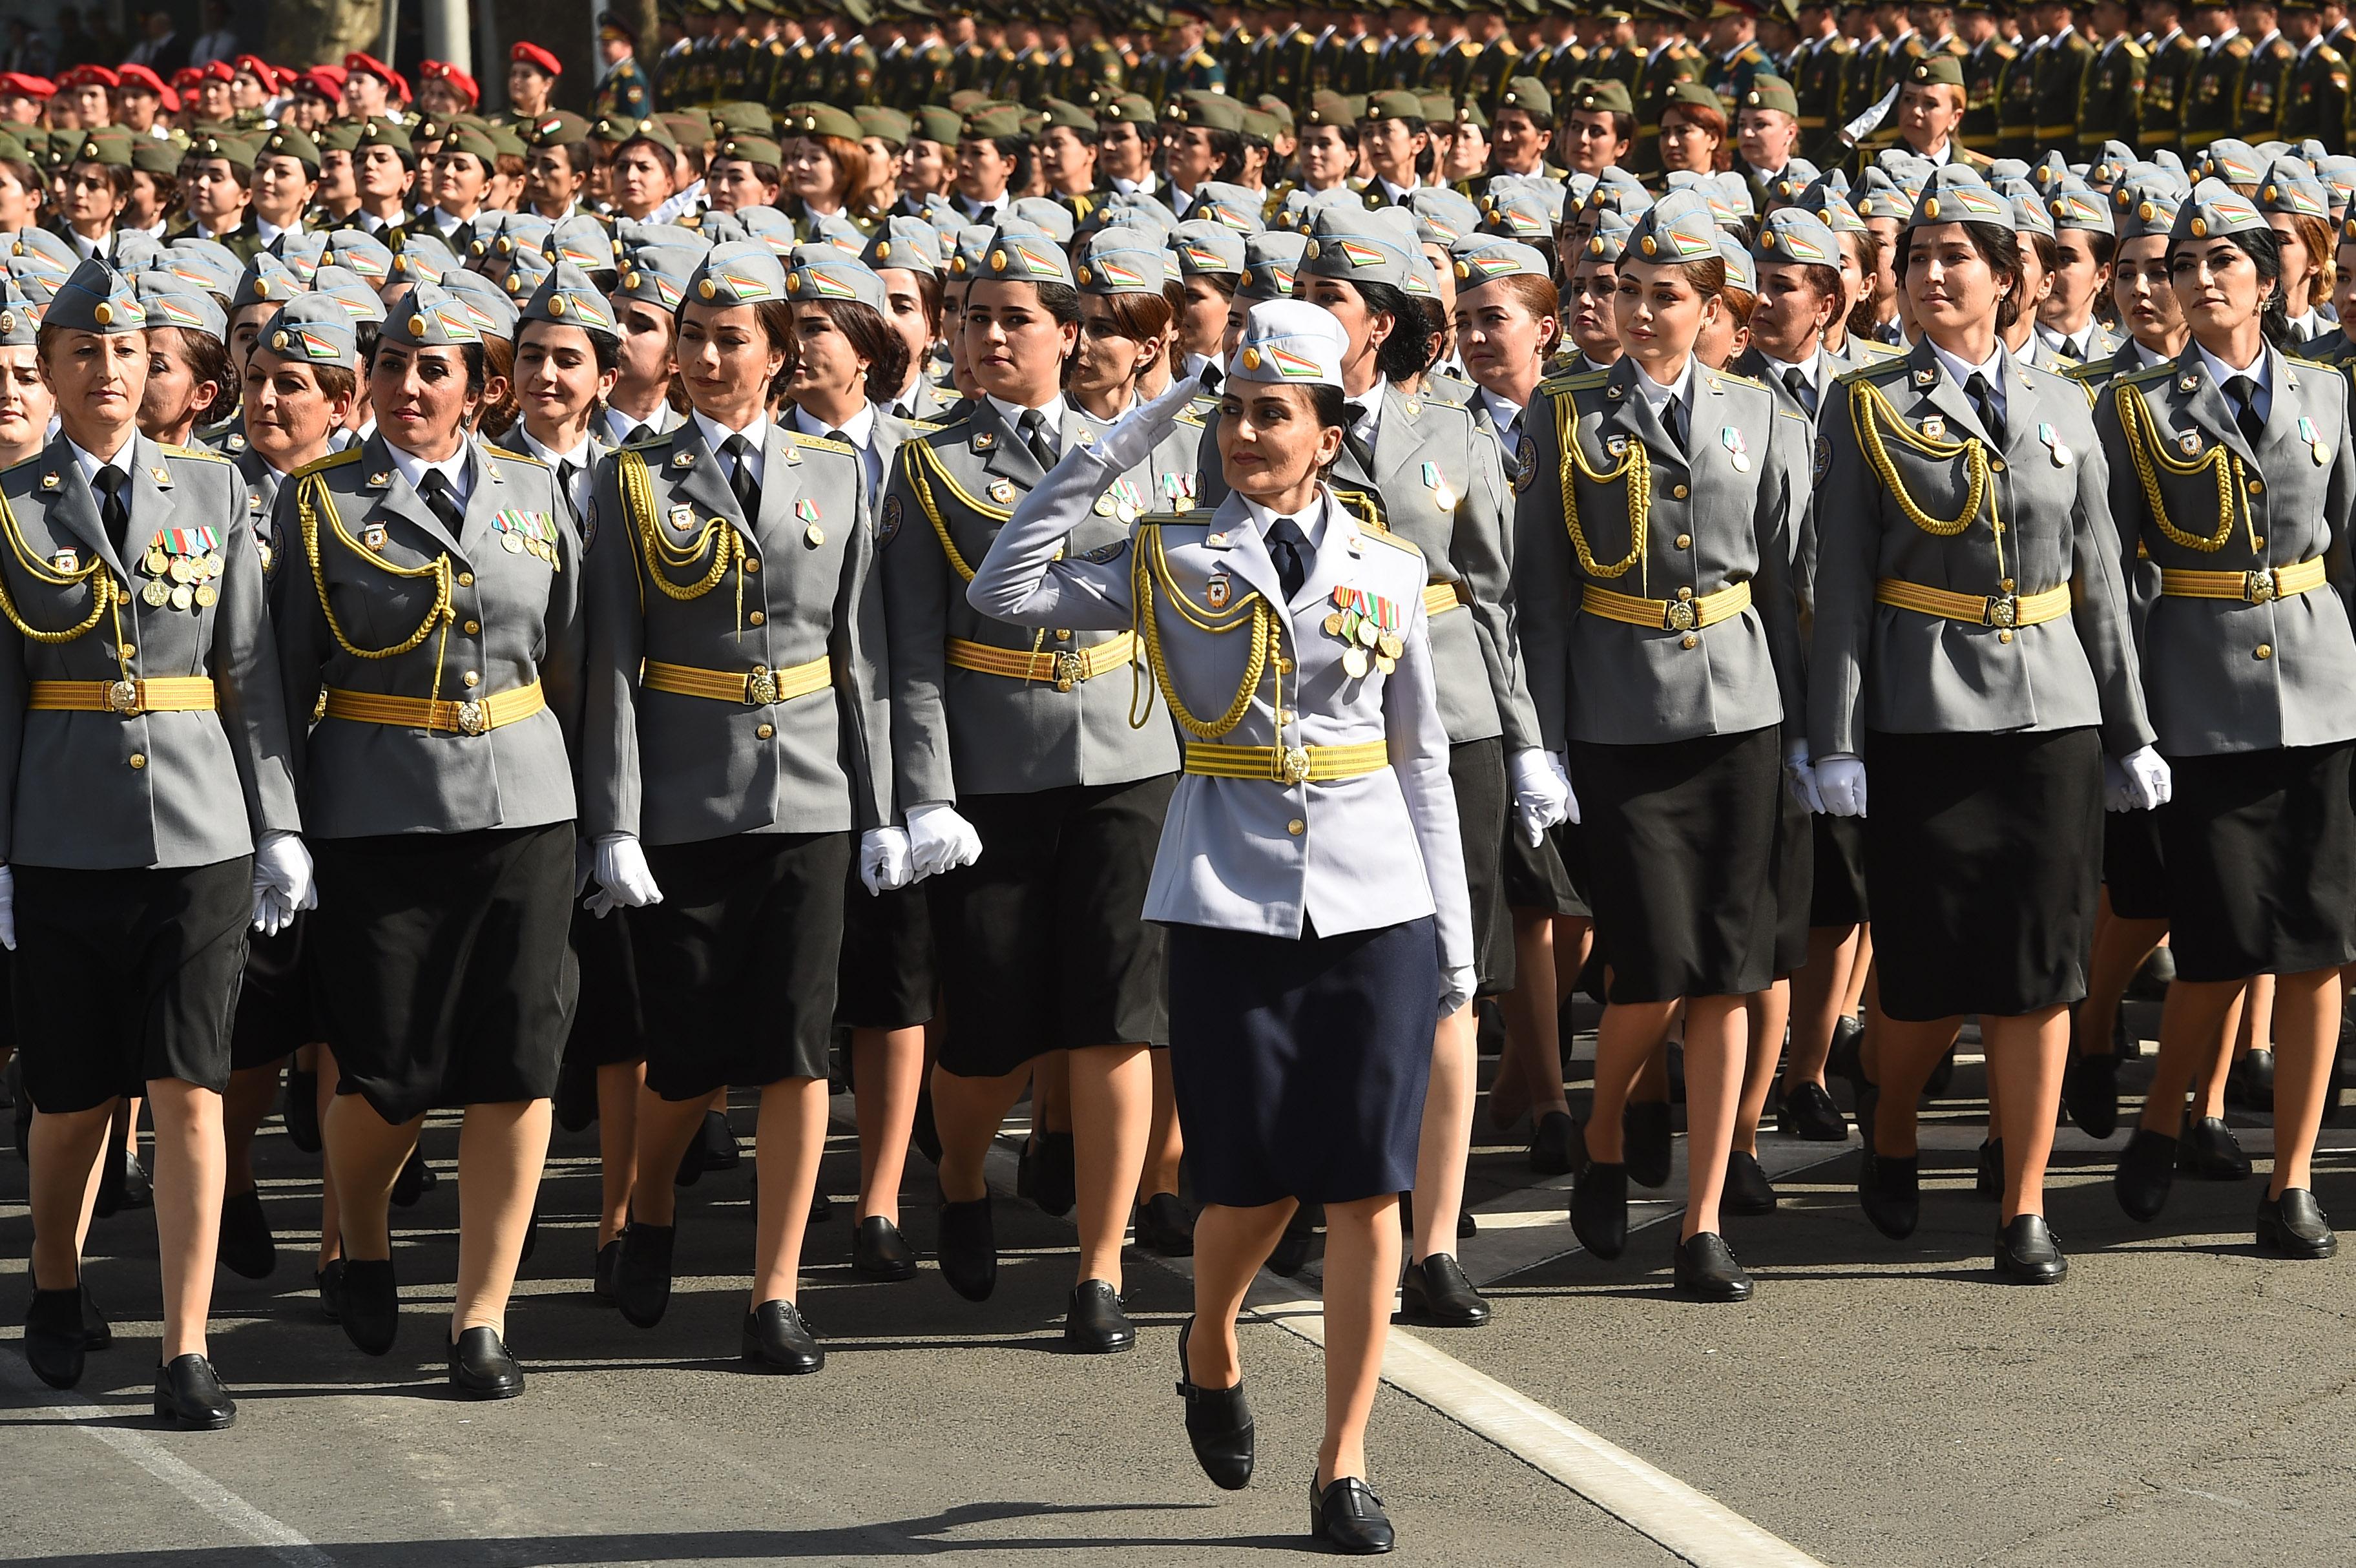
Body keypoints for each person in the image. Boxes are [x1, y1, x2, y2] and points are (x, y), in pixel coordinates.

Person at [970, 298, 1472, 1557]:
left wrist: (1454, 941)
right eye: (1235, 409)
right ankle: (1209, 1336)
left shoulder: (1390, 567)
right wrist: (1137, 424)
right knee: (1248, 1176)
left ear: (1327, 432)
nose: (1250, 432)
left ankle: (1344, 1461)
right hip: (1227, 898)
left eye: (1275, 412)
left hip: (1375, 905)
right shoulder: (1169, 555)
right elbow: (1006, 583)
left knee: (1366, 1183)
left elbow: (1422, 765)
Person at [1809, 165, 2164, 1285]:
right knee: (1924, 974)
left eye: (1954, 258)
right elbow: (1847, 589)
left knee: (2042, 966)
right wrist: (1839, 743)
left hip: (2052, 713)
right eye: (1916, 260)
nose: (1929, 276)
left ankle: (2023, 1205)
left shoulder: (2067, 401)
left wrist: (2129, 728)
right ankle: (1896, 1117)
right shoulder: (1865, 400)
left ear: (2009, 279)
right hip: (1926, 713)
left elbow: (2099, 571)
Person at [877, 226, 1200, 1354]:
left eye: (1017, 318)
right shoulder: (927, 460)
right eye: (974, 318)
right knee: (992, 1029)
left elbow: (1175, 601)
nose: (991, 337)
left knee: (1117, 1014)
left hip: (1126, 758)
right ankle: (962, 1176)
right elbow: (911, 648)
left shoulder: (1146, 451)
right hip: (993, 768)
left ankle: (1099, 1265)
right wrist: (926, 794)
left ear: (1072, 336)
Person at [270, 279, 585, 1397]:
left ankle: (482, 1318)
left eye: (436, 368)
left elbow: (576, 667)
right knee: (388, 1074)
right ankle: (358, 1225)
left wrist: (610, 819)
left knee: (517, 1064)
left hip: (526, 807)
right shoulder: (318, 504)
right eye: (397, 367)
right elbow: (278, 682)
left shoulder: (538, 493)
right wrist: (284, 825)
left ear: (481, 389)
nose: (412, 387)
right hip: (379, 809)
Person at [5, 258, 306, 1427]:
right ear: (52, 371)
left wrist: (276, 823)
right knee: (74, 1100)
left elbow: (248, 677)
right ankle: (57, 1276)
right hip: (65, 834)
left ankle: (188, 1345)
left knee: (189, 1090)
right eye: (84, 353)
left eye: (128, 353)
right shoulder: (12, 508)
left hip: (200, 833)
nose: (108, 371)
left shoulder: (215, 493)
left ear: (158, 371)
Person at [581, 245, 893, 1368]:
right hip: (683, 796)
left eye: (734, 342)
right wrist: (613, 822)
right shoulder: (630, 477)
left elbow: (863, 653)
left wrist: (892, 805)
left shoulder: (838, 469)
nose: (710, 361)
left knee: (801, 1047)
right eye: (694, 340)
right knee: (687, 1054)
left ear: (779, 356)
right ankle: (651, 1200)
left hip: (812, 794)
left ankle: (775, 1290)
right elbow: (613, 662)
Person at [1516, 191, 1809, 1302]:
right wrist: (1541, 745)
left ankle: (1701, 1217)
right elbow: (1541, 600)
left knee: (1732, 968)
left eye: (1666, 295)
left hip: (1741, 710)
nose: (1639, 312)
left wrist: (1815, 737)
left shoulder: (1760, 411)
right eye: (1626, 292)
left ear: (1713, 308)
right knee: (1651, 964)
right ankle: (1602, 1138)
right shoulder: (1564, 411)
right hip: (1619, 716)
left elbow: (1788, 585)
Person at [2094, 179, 2352, 1259]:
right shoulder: (2135, 407)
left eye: (2220, 267)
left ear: (2267, 282)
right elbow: (2107, 570)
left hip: (2324, 691)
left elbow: (2351, 547)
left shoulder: (2328, 394)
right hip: (2196, 691)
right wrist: (2124, 721)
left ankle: (2290, 1180)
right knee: (2215, 942)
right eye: (2178, 269)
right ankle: (2163, 1112)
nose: (2195, 283)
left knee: (2319, 947)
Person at [777, 244, 935, 1279]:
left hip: (903, 741)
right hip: (798, 748)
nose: (794, 356)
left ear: (869, 354)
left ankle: (880, 1196)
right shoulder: (766, 456)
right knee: (799, 986)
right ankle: (795, 1171)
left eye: (813, 337)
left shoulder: (922, 454)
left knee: (898, 975)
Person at [1450, 239, 1589, 1174]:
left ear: (1546, 329)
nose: (1471, 336)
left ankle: (1521, 1070)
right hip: (1500, 682)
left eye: (1491, 318)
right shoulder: (1443, 424)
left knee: (1584, 906)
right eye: (1461, 319)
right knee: (1533, 901)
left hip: (1590, 668)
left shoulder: (1582, 414)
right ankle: (1544, 1093)